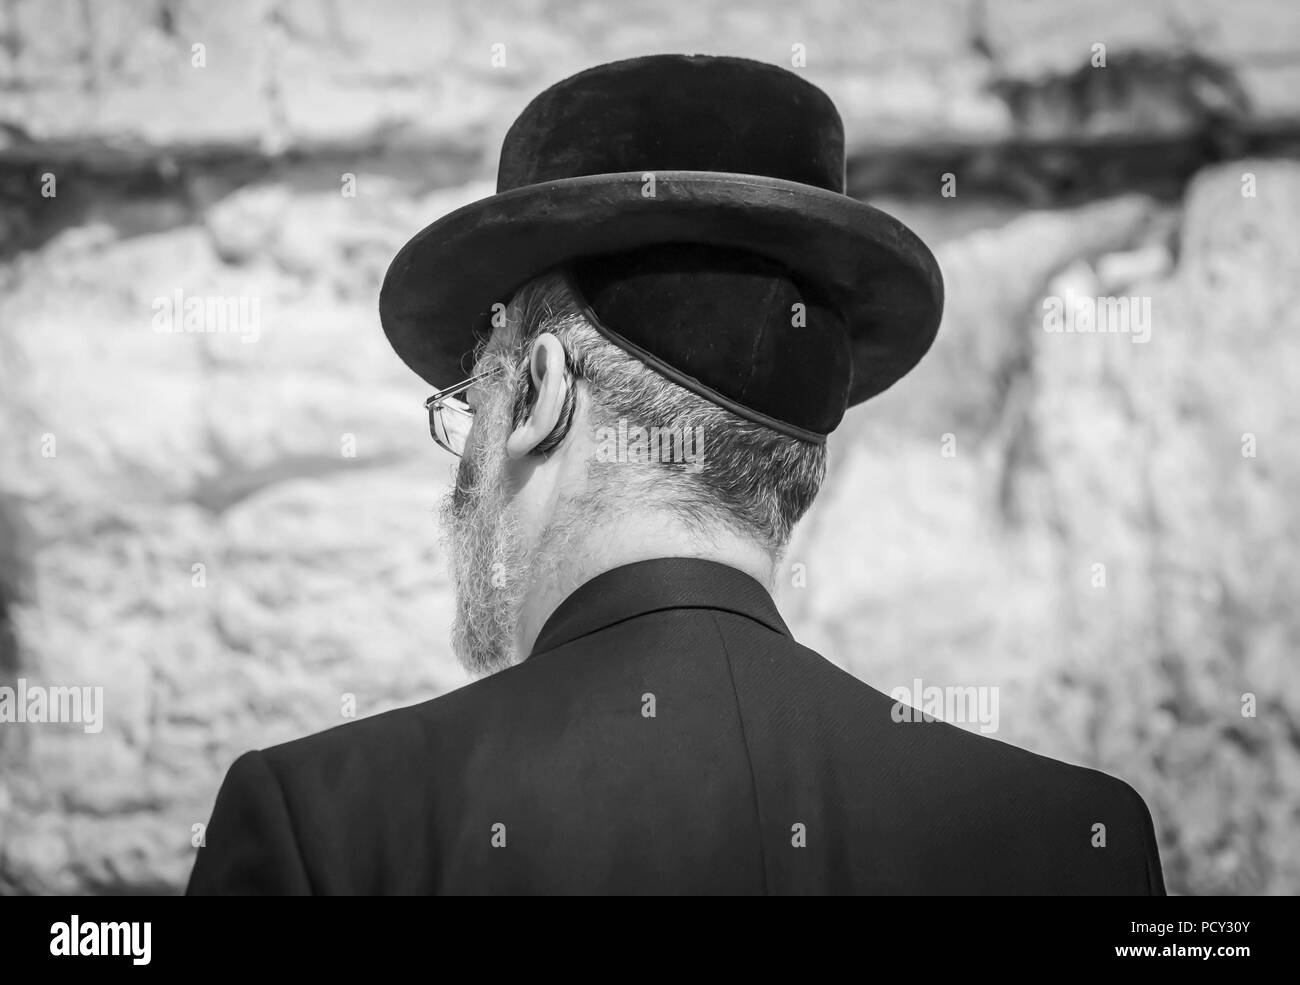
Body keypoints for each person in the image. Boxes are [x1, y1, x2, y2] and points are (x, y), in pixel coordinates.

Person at [187, 54, 1165, 895]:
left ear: (539, 393)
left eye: (469, 407)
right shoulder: (1070, 841)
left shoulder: (326, 827)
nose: (462, 478)